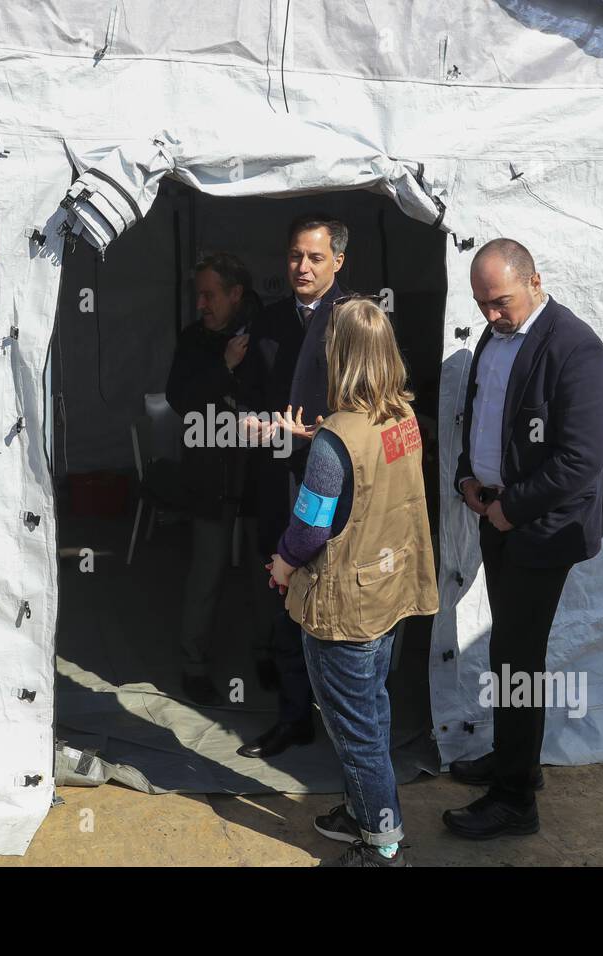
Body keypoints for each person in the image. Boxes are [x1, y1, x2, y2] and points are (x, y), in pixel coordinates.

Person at [445, 238, 603, 839]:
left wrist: (509, 510)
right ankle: (516, 760)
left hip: (541, 527)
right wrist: (468, 476)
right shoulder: (494, 341)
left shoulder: (577, 349)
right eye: (481, 304)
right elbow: (482, 421)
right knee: (512, 653)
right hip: (496, 515)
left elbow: (580, 461)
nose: (491, 316)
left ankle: (515, 799)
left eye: (500, 302)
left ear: (536, 281)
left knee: (517, 657)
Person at [268, 297, 439, 867]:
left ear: (335, 355)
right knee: (374, 708)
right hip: (388, 592)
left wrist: (282, 566)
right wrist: (320, 436)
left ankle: (382, 845)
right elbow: (368, 476)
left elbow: (310, 527)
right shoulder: (404, 418)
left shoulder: (335, 441)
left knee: (354, 727)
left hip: (346, 605)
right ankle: (361, 810)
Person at [237, 213, 351, 759]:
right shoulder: (269, 321)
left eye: (314, 258)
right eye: (294, 257)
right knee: (282, 590)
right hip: (279, 480)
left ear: (338, 261)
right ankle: (292, 716)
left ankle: (346, 725)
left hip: (338, 480)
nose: (302, 268)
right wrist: (253, 421)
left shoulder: (358, 319)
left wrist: (321, 430)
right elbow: (250, 395)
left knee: (335, 594)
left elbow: (379, 398)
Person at [165, 253, 268, 705]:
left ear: (235, 294)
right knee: (206, 570)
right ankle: (194, 664)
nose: (202, 303)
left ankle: (269, 654)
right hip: (212, 475)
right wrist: (222, 367)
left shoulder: (269, 332)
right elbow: (179, 399)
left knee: (268, 570)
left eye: (210, 294)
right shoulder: (194, 340)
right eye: (198, 294)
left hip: (260, 470)